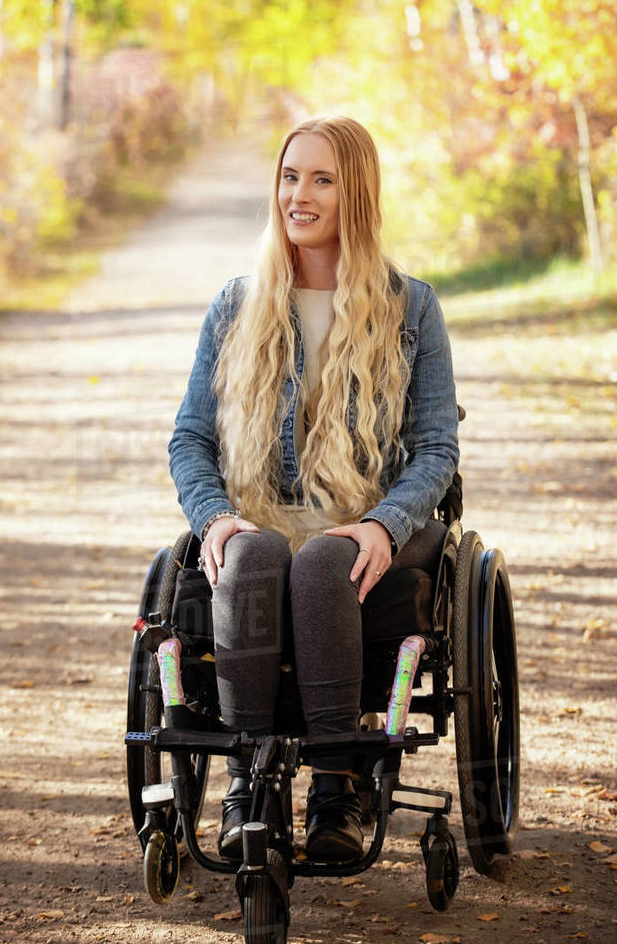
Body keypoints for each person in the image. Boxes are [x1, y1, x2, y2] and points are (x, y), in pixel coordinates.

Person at [168, 115, 459, 862]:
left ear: (354, 192)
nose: (299, 194)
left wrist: (384, 524)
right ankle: (247, 785)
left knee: (327, 557)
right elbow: (191, 441)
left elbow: (435, 450)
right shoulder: (237, 304)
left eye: (322, 179)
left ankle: (337, 787)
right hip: (259, 515)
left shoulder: (410, 308)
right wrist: (215, 518)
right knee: (253, 553)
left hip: (368, 523)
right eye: (290, 176)